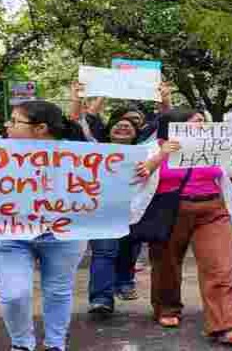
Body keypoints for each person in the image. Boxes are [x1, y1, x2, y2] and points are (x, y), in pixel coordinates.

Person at [134, 109, 232, 345]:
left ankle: (229, 324)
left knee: (221, 267)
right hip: (170, 211)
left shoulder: (215, 146)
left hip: (213, 210)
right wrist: (162, 154)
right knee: (166, 264)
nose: (202, 125)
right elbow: (138, 175)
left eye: (203, 121)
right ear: (176, 125)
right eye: (196, 121)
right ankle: (167, 308)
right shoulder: (155, 146)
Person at [0, 100, 89, 351]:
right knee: (14, 295)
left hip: (64, 234)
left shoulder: (82, 154)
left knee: (58, 292)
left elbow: (119, 174)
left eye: (14, 121)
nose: (7, 125)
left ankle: (56, 344)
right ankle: (21, 344)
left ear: (41, 127)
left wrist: (145, 168)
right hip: (10, 233)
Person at [87, 115, 143, 314]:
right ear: (108, 131)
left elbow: (162, 128)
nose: (123, 128)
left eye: (128, 127)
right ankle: (101, 298)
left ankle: (124, 282)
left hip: (135, 211)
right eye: (118, 125)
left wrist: (165, 103)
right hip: (103, 211)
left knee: (129, 251)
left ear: (137, 133)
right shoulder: (95, 149)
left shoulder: (146, 151)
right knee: (104, 252)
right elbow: (82, 125)